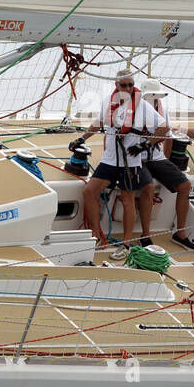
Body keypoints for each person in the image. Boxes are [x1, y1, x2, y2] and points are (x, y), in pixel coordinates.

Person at [72, 70, 167, 259]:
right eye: (124, 85)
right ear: (116, 85)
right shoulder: (109, 101)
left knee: (128, 199)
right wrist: (81, 139)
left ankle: (126, 243)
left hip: (130, 162)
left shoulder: (143, 106)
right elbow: (99, 123)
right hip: (109, 160)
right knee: (89, 192)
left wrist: (144, 145)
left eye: (131, 85)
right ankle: (96, 236)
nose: (128, 88)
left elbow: (164, 128)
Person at [140, 77, 194, 250]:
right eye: (152, 95)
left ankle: (181, 232)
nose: (155, 99)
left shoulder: (163, 110)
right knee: (148, 187)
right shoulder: (134, 111)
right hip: (137, 158)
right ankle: (145, 234)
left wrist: (165, 160)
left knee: (185, 184)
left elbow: (168, 137)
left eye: (157, 96)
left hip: (157, 158)